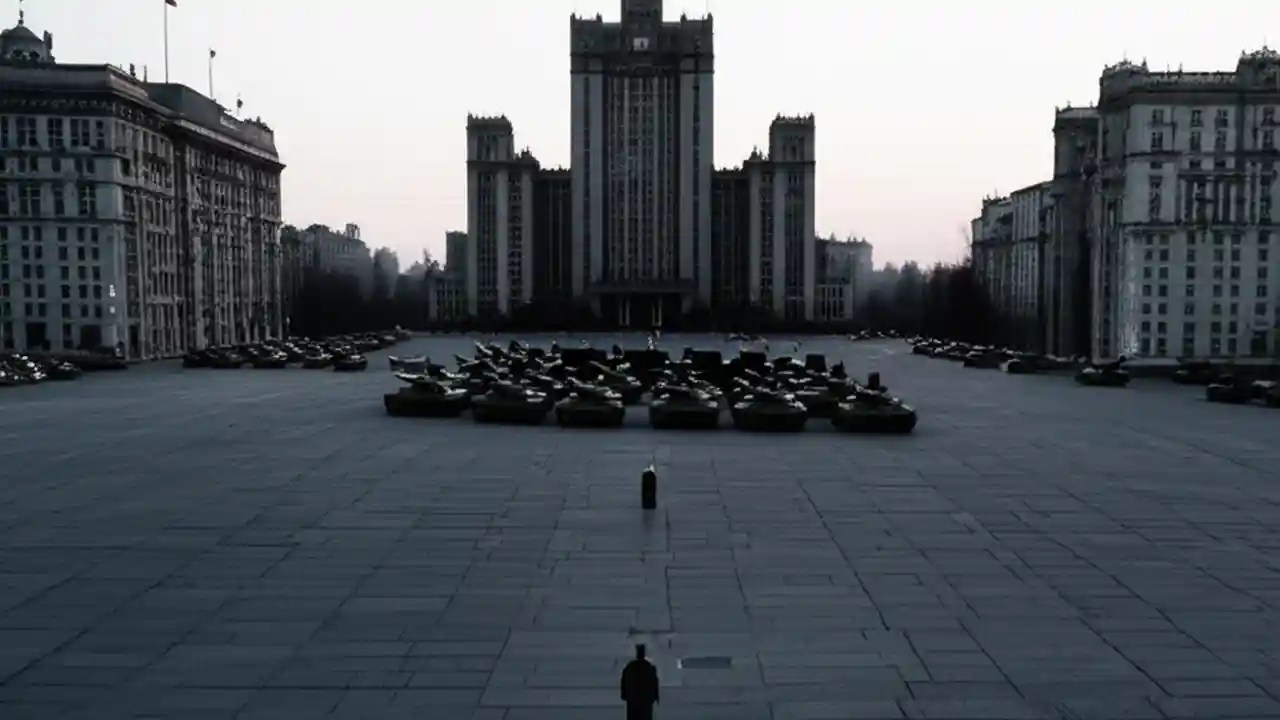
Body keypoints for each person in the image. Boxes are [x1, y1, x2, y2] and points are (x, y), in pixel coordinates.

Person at [620, 643, 659, 720]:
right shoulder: (649, 667)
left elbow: (623, 682)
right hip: (645, 700)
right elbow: (654, 683)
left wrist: (624, 694)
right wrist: (655, 696)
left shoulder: (630, 667)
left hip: (633, 699)